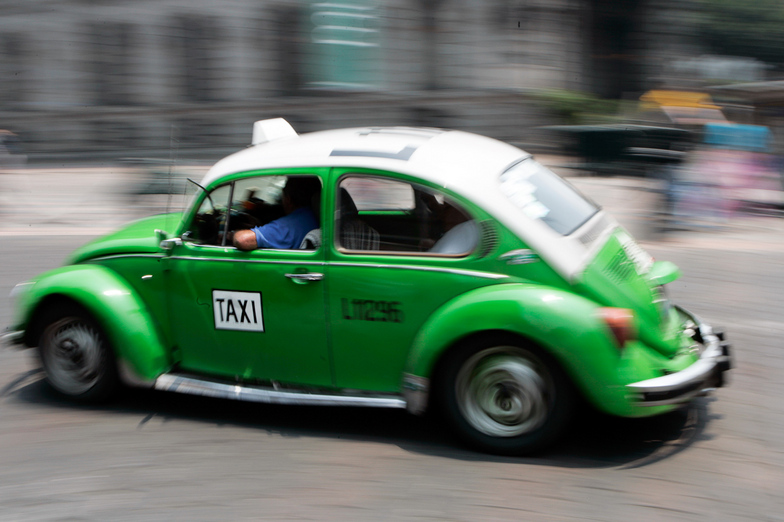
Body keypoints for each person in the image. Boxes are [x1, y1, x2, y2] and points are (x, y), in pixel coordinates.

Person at [233, 177, 320, 251]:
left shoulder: (288, 226)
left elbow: (243, 240)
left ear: (288, 199)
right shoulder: (312, 216)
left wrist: (233, 234)